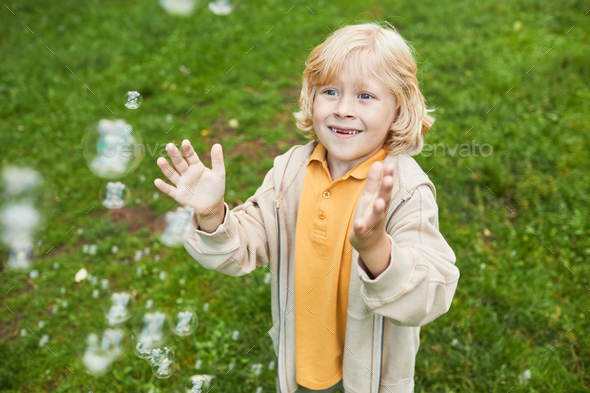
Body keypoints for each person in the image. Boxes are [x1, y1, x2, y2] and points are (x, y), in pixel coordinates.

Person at [154, 21, 460, 393]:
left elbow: (431, 296)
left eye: (365, 96)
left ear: (398, 109)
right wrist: (211, 214)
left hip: (369, 376)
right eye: (330, 91)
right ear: (310, 99)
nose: (344, 109)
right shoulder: (291, 171)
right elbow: (244, 248)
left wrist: (377, 247)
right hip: (302, 363)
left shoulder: (405, 190)